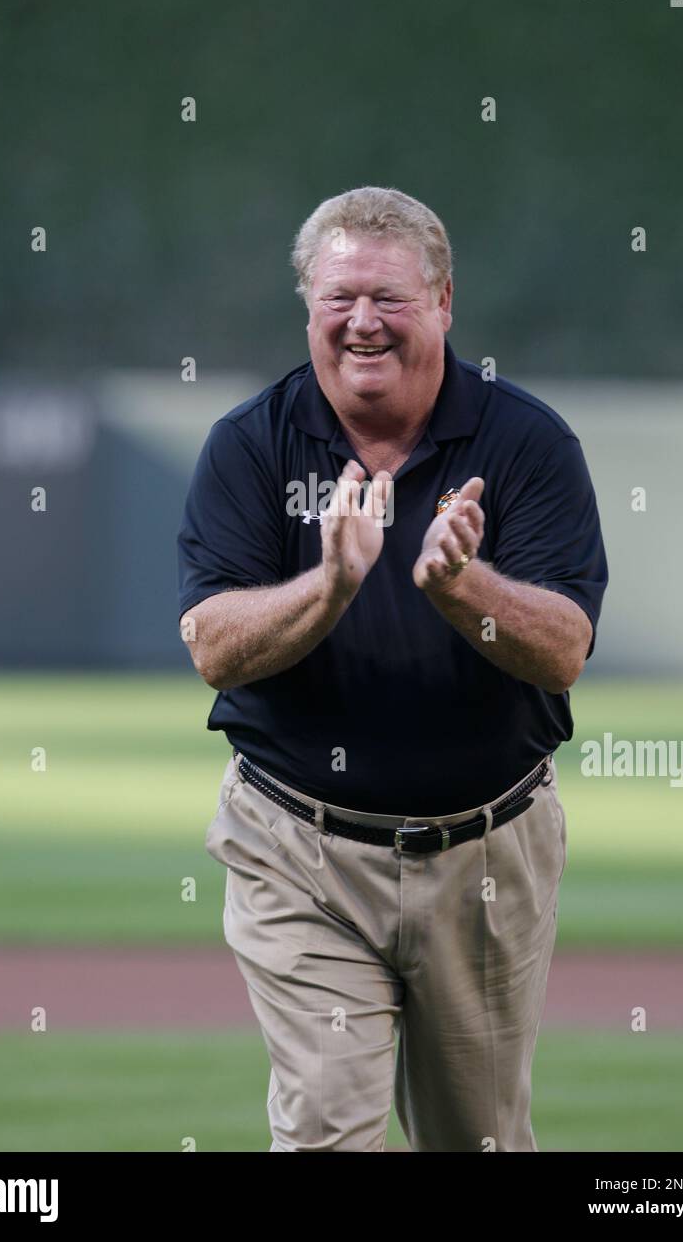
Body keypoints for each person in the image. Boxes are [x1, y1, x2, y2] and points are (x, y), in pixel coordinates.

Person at [178, 185, 608, 1152]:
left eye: (389, 298)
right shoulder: (250, 445)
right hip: (300, 850)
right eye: (338, 299)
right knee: (329, 1123)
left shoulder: (528, 444)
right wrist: (329, 585)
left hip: (487, 857)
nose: (362, 321)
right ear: (307, 308)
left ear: (445, 302)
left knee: (480, 1138)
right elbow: (211, 644)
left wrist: (461, 589)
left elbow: (564, 648)